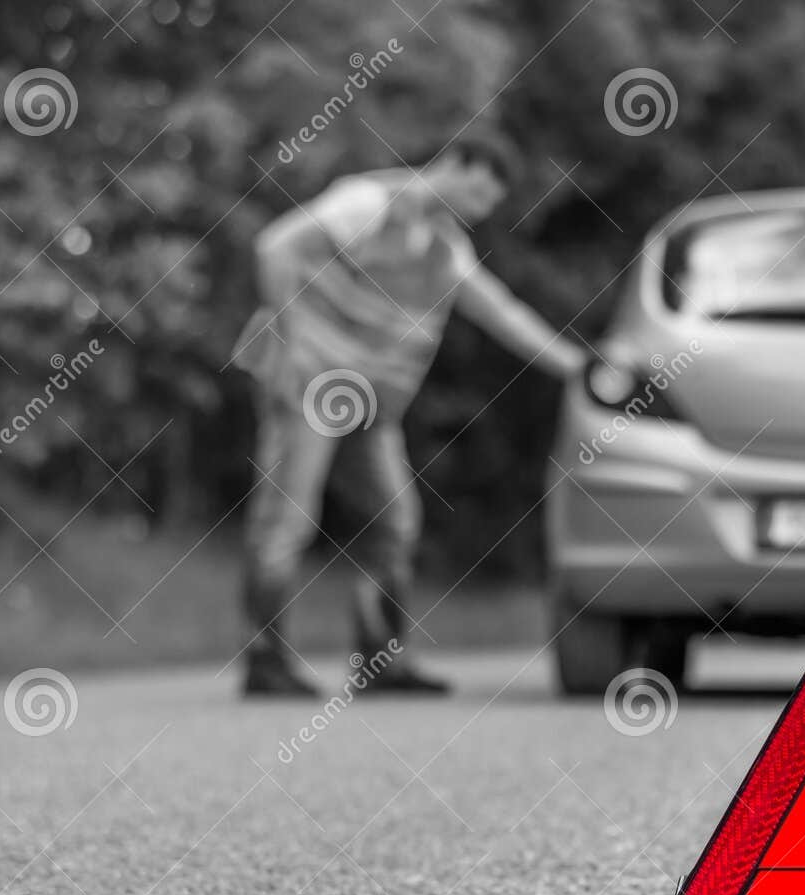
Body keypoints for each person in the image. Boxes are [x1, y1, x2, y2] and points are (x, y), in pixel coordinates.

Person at [232, 130, 585, 697]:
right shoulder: (368, 203)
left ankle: (380, 663)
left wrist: (576, 366)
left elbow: (501, 313)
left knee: (394, 522)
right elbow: (275, 248)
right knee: (288, 520)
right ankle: (265, 661)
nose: (485, 208)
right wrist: (292, 340)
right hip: (312, 386)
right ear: (452, 164)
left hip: (372, 404)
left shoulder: (445, 246)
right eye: (481, 191)